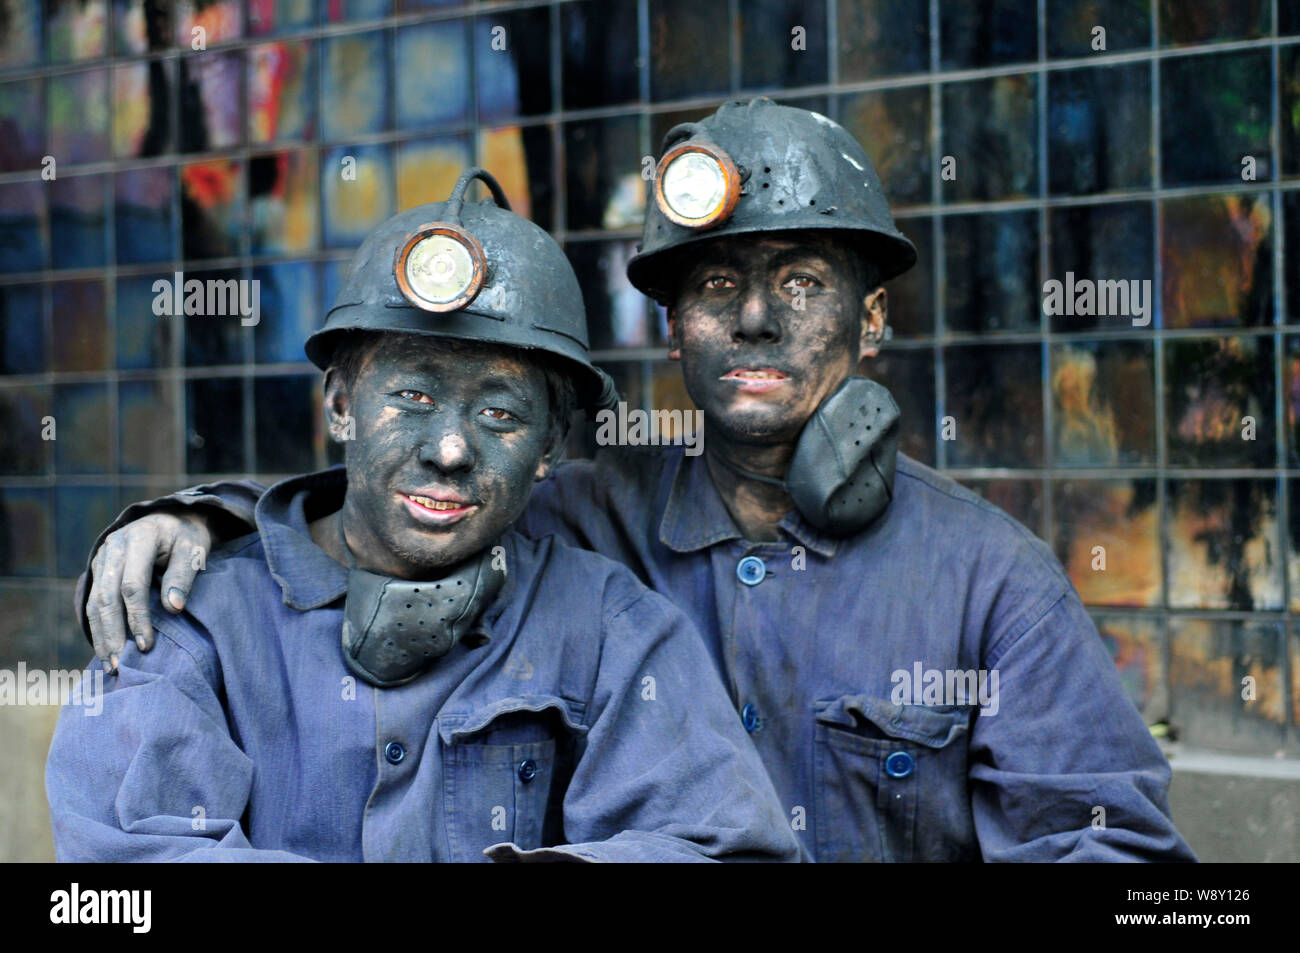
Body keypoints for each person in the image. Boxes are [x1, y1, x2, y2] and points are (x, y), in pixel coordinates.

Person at [75, 100, 1195, 862]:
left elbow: (1115, 849)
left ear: (873, 318)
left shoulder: (987, 579)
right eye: (716, 284)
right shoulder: (575, 517)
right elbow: (390, 496)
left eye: (801, 280)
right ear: (671, 331)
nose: (753, 317)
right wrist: (194, 517)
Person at [45, 168, 799, 863]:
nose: (448, 449)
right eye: (411, 395)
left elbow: (720, 847)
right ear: (341, 403)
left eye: (501, 413)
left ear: (546, 449)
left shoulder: (610, 628)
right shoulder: (193, 619)